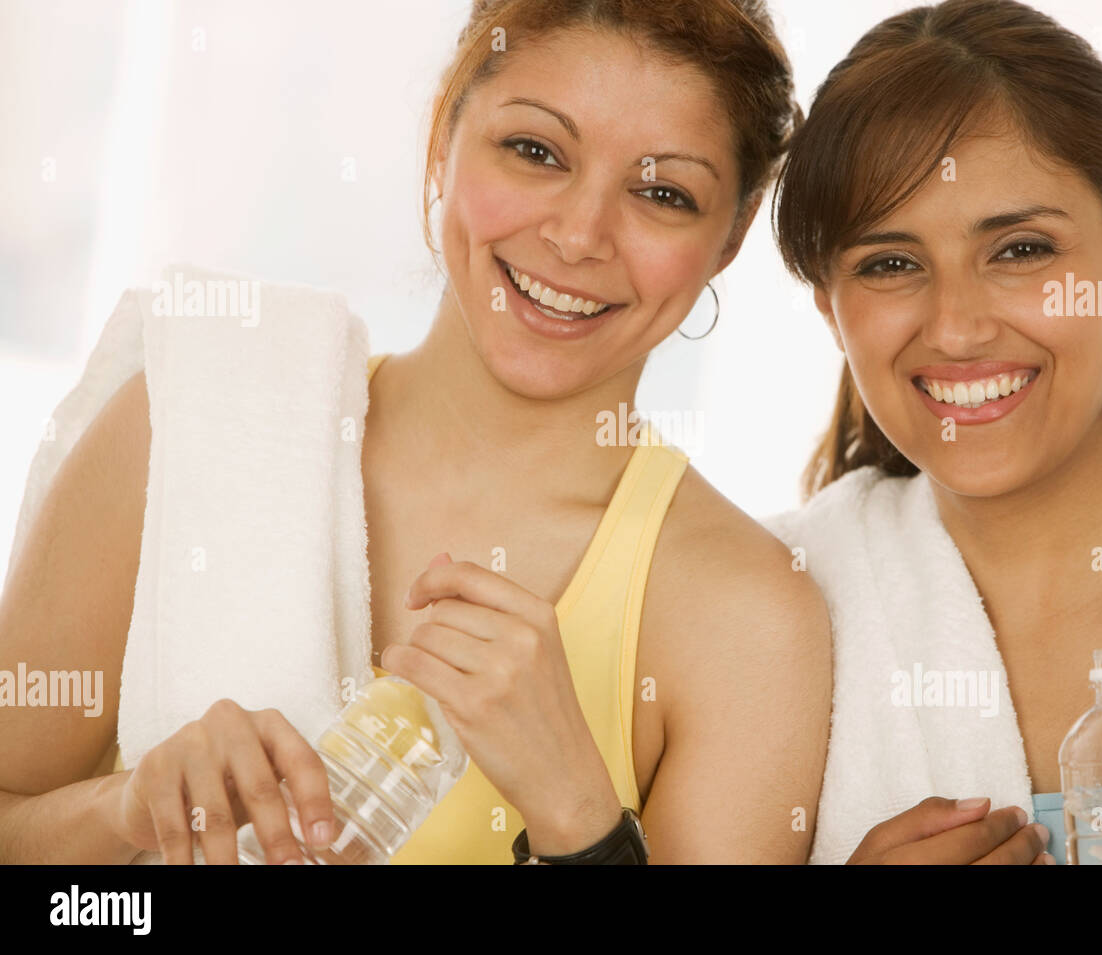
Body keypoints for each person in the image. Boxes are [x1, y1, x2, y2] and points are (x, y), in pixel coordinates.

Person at [0, 0, 831, 865]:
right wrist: (129, 811)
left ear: (730, 239)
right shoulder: (184, 423)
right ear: (444, 138)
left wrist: (578, 815)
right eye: (536, 151)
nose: (579, 235)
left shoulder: (749, 622)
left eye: (662, 194)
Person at [769, 0, 1102, 864]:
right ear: (832, 309)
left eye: (1020, 249)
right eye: (891, 264)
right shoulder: (767, 611)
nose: (957, 328)